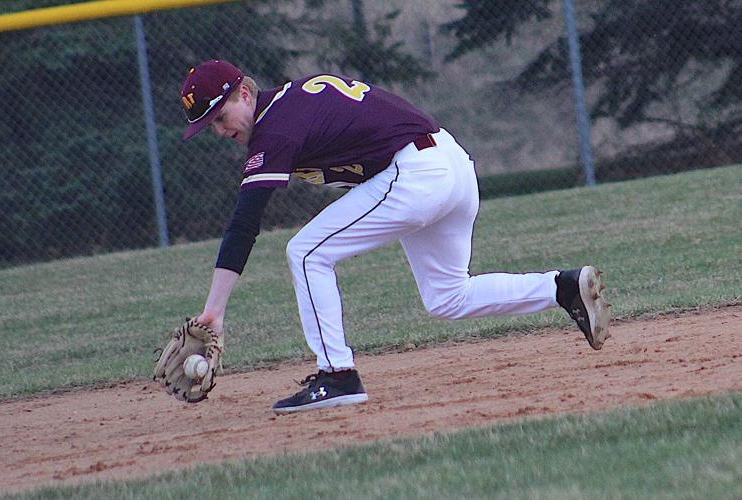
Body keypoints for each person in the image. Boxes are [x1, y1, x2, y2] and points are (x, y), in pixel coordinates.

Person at [181, 59, 611, 414]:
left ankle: (337, 375)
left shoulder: (275, 128)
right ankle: (562, 287)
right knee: (447, 297)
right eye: (209, 125)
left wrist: (214, 310)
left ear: (244, 93)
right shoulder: (290, 105)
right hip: (450, 163)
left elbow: (244, 223)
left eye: (219, 116)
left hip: (416, 174)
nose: (220, 130)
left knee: (307, 252)